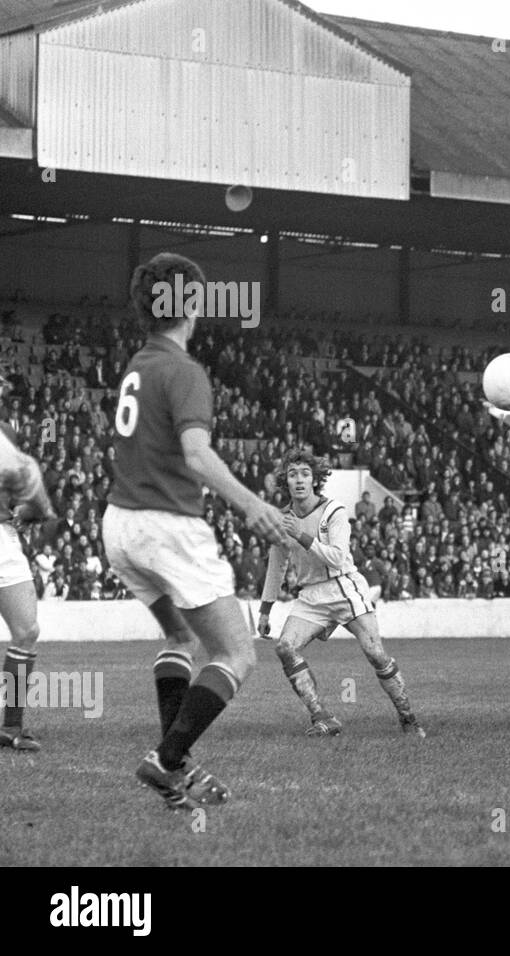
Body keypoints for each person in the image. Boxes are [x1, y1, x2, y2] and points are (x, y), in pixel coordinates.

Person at [104, 252, 288, 811]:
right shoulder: (184, 371)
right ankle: (164, 760)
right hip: (168, 528)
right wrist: (252, 503)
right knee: (236, 653)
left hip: (119, 526)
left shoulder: (138, 365)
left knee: (180, 640)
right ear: (189, 304)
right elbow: (196, 453)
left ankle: (175, 771)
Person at [258, 448, 424, 738]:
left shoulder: (334, 511)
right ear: (285, 480)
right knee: (285, 647)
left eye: (305, 474)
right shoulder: (282, 519)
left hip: (345, 586)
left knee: (375, 653)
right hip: (311, 595)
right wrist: (265, 610)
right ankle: (322, 716)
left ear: (314, 479)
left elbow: (337, 557)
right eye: (293, 474)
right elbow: (277, 564)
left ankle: (408, 718)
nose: (299, 480)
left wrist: (301, 534)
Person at [0, 422, 55, 750]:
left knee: (26, 630)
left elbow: (24, 495)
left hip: (3, 536)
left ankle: (10, 727)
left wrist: (23, 509)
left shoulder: (7, 430)